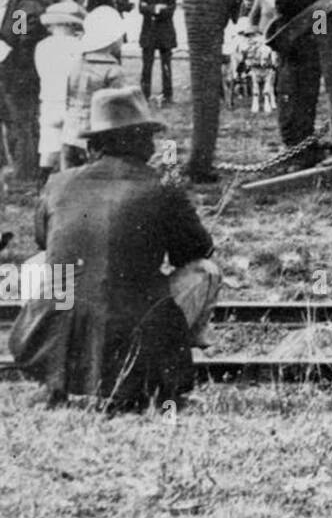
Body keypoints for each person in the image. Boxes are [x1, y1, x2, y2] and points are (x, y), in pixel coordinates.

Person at [9, 86, 220, 410]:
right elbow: (198, 251)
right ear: (141, 141)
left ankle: (57, 381)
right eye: (149, 136)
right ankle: (174, 353)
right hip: (133, 336)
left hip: (53, 334)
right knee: (206, 272)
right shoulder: (163, 186)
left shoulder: (58, 183)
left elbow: (44, 242)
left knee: (43, 265)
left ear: (94, 144)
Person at [0, 0, 47, 183]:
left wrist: (7, 45)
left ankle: (25, 177)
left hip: (21, 73)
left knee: (22, 126)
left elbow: (21, 34)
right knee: (18, 124)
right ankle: (23, 172)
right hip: (14, 71)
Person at [62, 6, 127, 169]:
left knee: (69, 178)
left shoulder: (75, 63)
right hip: (97, 136)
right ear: (112, 40)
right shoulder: (114, 71)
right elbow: (116, 109)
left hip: (70, 131)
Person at [33, 1, 84, 180]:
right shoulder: (79, 46)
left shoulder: (41, 46)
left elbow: (40, 71)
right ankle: (67, 186)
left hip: (49, 100)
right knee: (71, 147)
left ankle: (42, 185)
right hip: (71, 101)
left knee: (48, 147)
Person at [138, 0, 177, 105]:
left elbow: (170, 12)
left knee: (166, 66)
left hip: (165, 34)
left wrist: (151, 9)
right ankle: (144, 95)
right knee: (146, 66)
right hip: (149, 35)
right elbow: (141, 10)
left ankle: (168, 95)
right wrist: (158, 8)